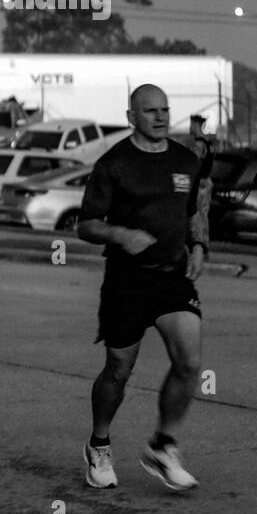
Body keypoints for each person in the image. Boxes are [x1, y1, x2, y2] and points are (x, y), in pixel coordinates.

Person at [78, 84, 208, 492]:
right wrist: (121, 234)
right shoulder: (114, 163)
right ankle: (99, 442)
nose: (161, 117)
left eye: (166, 109)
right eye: (150, 111)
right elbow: (86, 224)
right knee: (119, 368)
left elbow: (195, 211)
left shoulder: (187, 160)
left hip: (172, 277)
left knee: (189, 362)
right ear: (132, 116)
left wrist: (199, 244)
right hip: (126, 280)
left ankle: (163, 445)